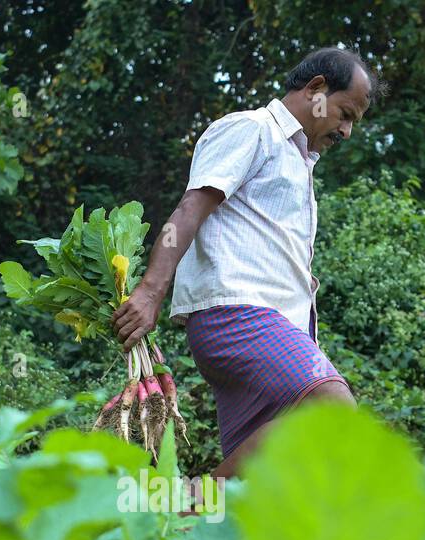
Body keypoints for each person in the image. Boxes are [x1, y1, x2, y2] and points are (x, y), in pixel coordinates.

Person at [111, 46, 377, 482]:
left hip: (279, 330)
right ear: (316, 90)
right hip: (237, 318)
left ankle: (179, 530)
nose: (346, 131)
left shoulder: (299, 165)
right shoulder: (252, 129)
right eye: (345, 114)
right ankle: (190, 505)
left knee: (270, 489)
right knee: (334, 408)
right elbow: (190, 210)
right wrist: (149, 291)